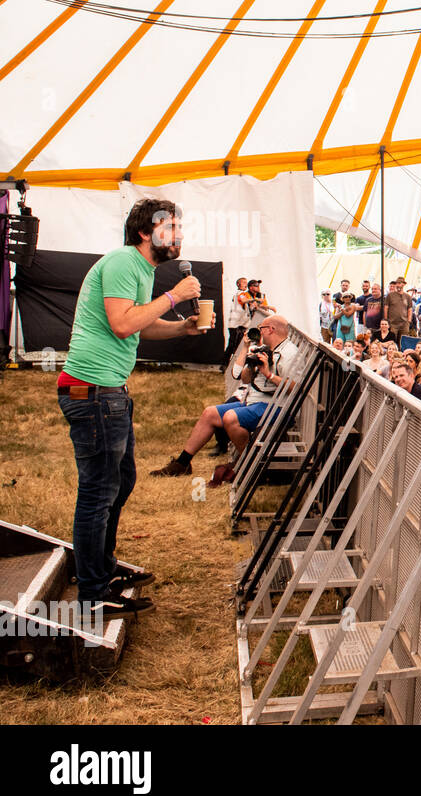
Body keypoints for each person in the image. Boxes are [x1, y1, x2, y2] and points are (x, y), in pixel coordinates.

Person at [59, 198, 205, 618]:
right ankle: (92, 592)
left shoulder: (140, 269)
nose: (178, 235)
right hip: (93, 391)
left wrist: (182, 326)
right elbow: (123, 323)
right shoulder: (125, 262)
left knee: (120, 482)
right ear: (146, 232)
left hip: (109, 392)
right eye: (171, 227)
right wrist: (174, 296)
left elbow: (140, 322)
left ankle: (101, 571)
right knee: (99, 492)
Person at [153, 314, 295, 477]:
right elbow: (244, 379)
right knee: (209, 413)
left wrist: (269, 375)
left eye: (261, 328)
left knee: (230, 418)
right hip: (254, 401)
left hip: (277, 406)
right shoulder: (264, 349)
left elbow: (296, 387)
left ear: (271, 329)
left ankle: (248, 465)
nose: (259, 332)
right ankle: (182, 463)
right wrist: (251, 362)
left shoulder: (289, 353)